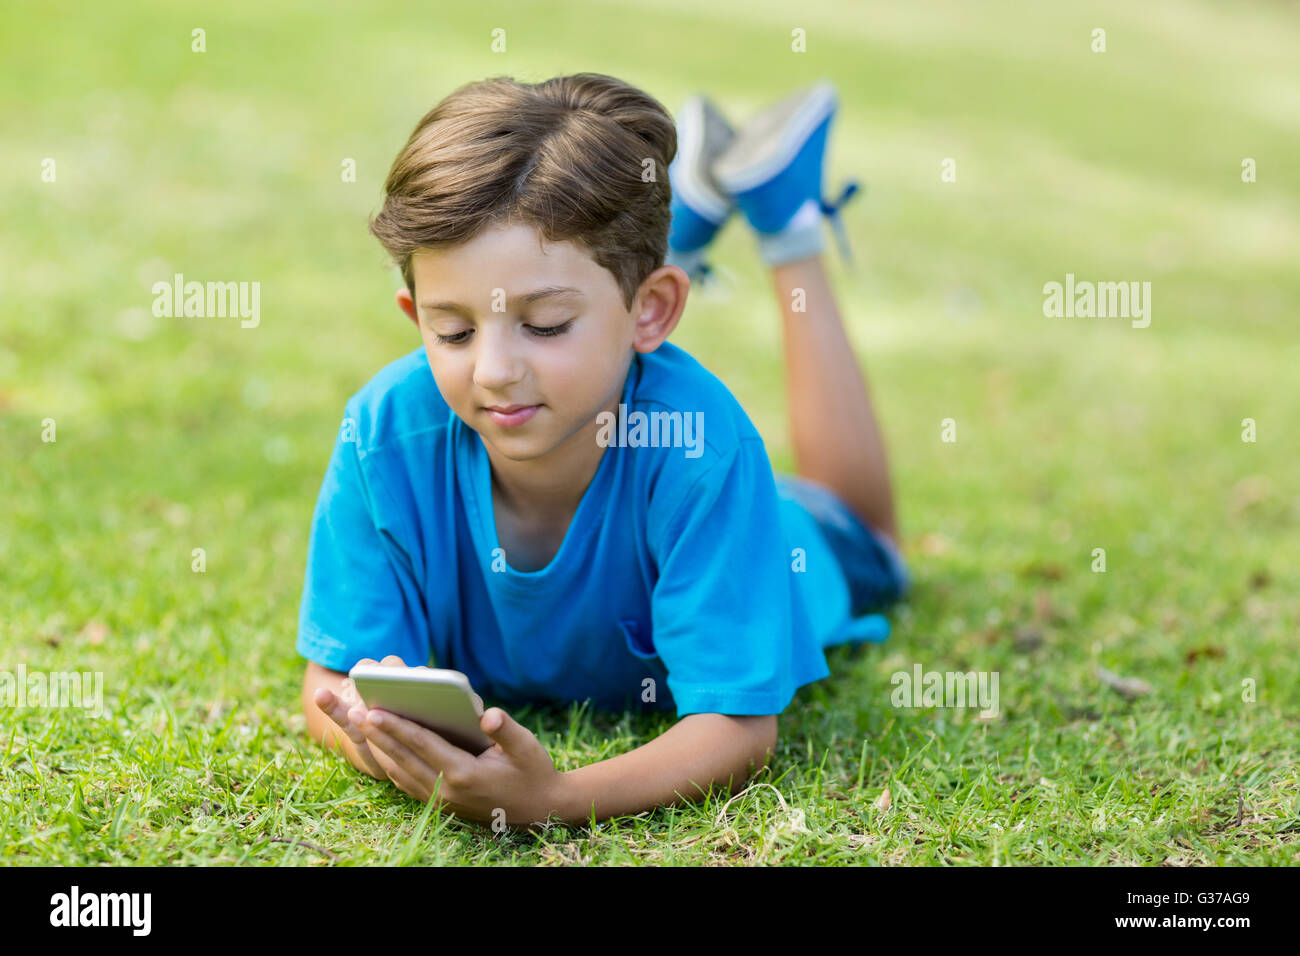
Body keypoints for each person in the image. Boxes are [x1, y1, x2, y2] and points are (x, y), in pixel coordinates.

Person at [296, 73, 908, 828]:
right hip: (638, 419)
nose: (492, 371)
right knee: (588, 296)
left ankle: (786, 220)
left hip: (783, 533)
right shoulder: (384, 434)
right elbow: (330, 679)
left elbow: (742, 731)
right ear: (414, 313)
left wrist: (554, 800)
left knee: (874, 538)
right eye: (451, 331)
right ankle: (654, 233)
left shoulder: (703, 452)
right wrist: (393, 750)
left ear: (656, 310)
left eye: (546, 323)